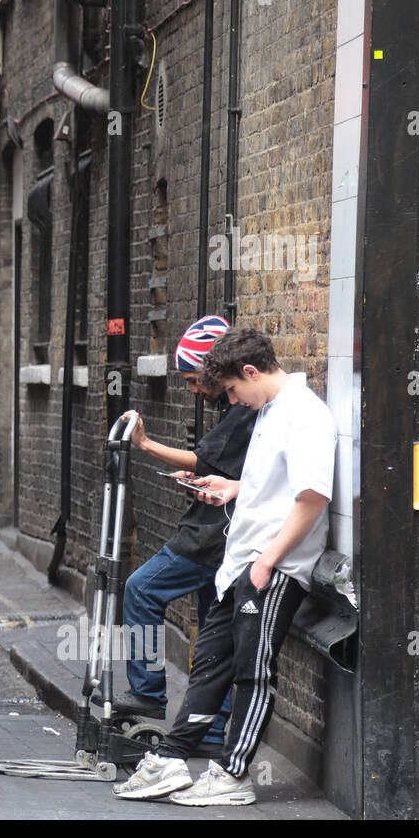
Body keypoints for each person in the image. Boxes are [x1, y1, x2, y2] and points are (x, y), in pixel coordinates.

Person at [114, 327, 336, 806]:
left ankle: (233, 775)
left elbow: (312, 497)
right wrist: (233, 488)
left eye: (233, 389)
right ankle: (171, 761)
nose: (232, 399)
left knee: (252, 672)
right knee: (210, 665)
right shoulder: (269, 410)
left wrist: (267, 563)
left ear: (251, 372)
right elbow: (274, 485)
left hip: (270, 568)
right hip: (238, 564)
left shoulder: (306, 415)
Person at [92, 316, 253, 757]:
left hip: (211, 536)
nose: (192, 391)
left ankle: (147, 690)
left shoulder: (242, 407)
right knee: (213, 635)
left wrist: (144, 445)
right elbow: (220, 466)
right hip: (224, 532)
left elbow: (205, 460)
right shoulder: (235, 404)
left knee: (141, 588)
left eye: (192, 380)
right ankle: (215, 734)